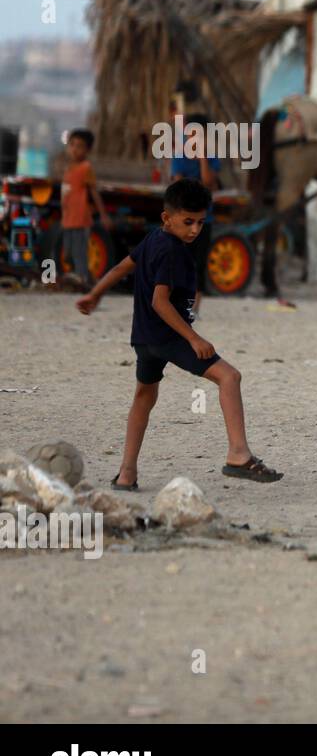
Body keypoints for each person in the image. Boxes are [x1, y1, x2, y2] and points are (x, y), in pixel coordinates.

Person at [75, 178, 283, 490]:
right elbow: (160, 302)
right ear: (167, 218)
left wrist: (95, 294)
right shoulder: (172, 252)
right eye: (188, 222)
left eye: (201, 222)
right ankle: (238, 455)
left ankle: (127, 474)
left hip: (143, 340)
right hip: (168, 339)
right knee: (229, 377)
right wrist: (193, 338)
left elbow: (120, 268)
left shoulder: (153, 239)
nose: (195, 230)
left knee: (144, 397)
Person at [169, 112, 221, 315]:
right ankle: (176, 304)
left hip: (203, 220)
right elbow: (178, 186)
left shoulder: (211, 157)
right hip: (183, 219)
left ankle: (194, 307)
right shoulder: (180, 155)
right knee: (179, 260)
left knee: (197, 263)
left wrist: (202, 158)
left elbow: (208, 182)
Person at [59, 128, 109, 288]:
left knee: (80, 253)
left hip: (81, 219)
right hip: (68, 219)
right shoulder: (68, 169)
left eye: (79, 146)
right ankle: (90, 279)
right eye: (72, 144)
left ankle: (82, 281)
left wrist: (103, 215)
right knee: (67, 254)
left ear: (87, 150)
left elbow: (93, 192)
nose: (74, 149)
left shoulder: (86, 168)